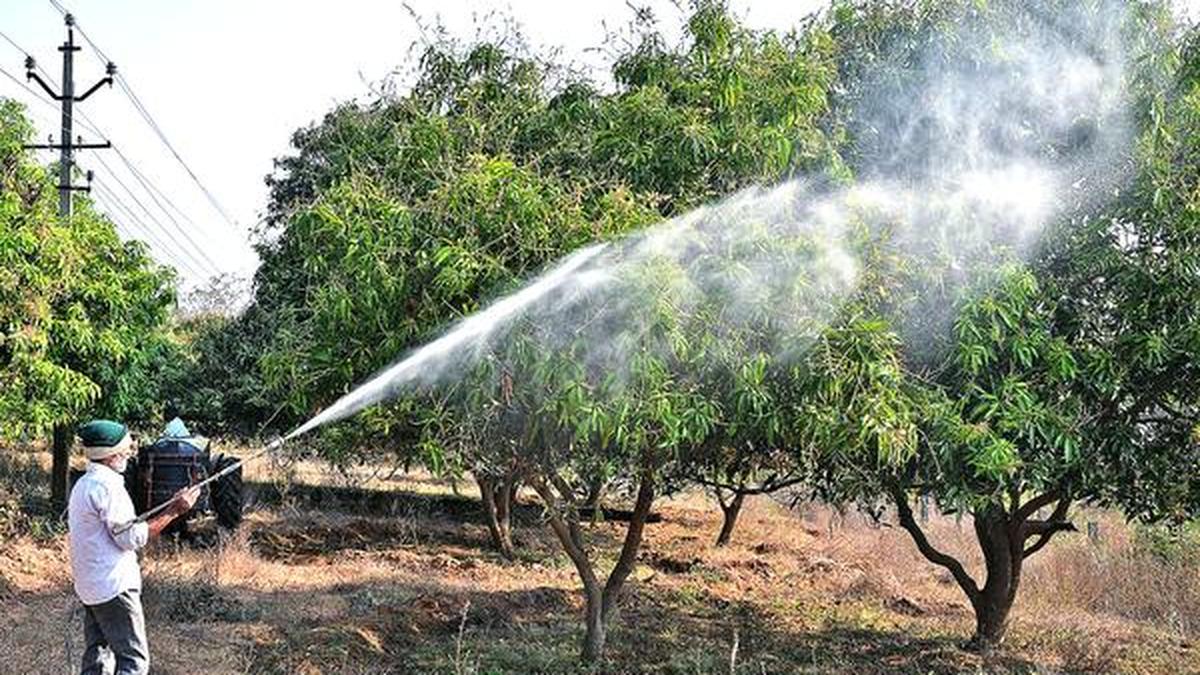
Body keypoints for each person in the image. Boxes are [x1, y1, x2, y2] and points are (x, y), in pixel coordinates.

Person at [67, 419, 200, 675]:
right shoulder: (109, 488)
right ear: (110, 455)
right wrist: (174, 511)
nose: (128, 453)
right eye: (125, 449)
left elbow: (118, 529)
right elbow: (130, 538)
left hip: (92, 587)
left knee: (98, 659)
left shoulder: (84, 484)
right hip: (114, 588)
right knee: (133, 663)